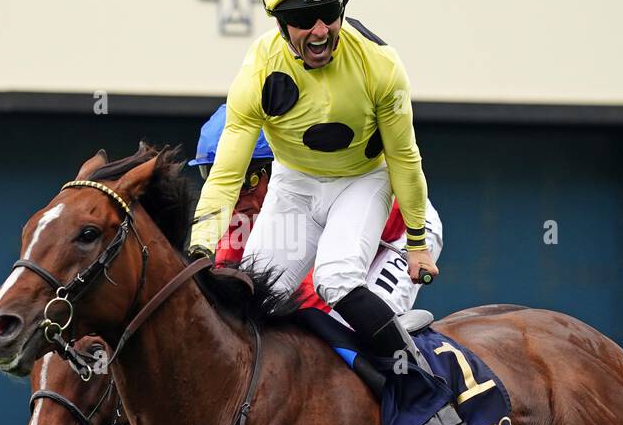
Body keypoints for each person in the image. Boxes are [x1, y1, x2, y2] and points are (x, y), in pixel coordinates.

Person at [187, 0, 461, 425]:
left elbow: (405, 159)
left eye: (329, 14)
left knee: (336, 281)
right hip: (297, 181)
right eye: (299, 19)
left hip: (372, 187)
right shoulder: (256, 70)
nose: (317, 31)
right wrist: (200, 248)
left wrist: (420, 243)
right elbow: (225, 175)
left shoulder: (380, 65)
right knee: (256, 293)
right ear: (278, 23)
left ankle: (425, 395)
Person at [188, 104, 444, 316]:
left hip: (403, 235)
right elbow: (230, 276)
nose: (232, 199)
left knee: (347, 317)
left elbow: (311, 297)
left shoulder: (299, 196)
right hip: (347, 240)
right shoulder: (237, 210)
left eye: (246, 181)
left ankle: (409, 371)